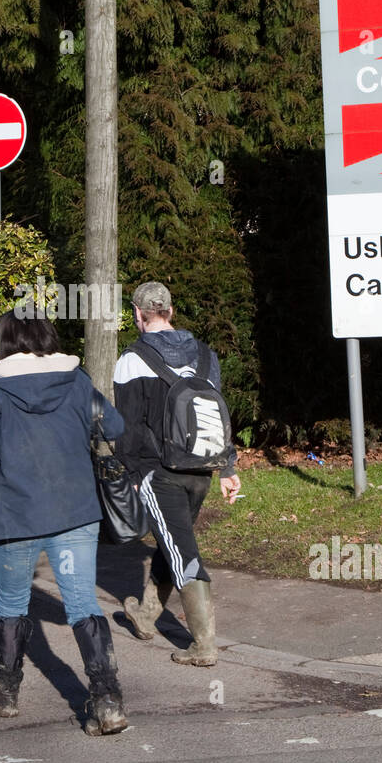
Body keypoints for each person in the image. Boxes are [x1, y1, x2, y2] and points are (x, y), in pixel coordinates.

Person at [0, 311, 129, 735]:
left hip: (16, 513)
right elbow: (114, 425)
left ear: (5, 342)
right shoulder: (76, 379)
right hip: (75, 509)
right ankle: (106, 700)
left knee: (11, 603)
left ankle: (4, 692)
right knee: (83, 602)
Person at [113, 282, 240, 667]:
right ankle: (148, 612)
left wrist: (132, 475)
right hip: (201, 466)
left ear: (138, 313)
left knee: (182, 550)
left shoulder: (131, 359)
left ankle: (203, 646)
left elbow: (128, 428)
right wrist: (227, 468)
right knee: (176, 538)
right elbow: (217, 415)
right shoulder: (206, 356)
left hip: (159, 471)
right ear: (170, 310)